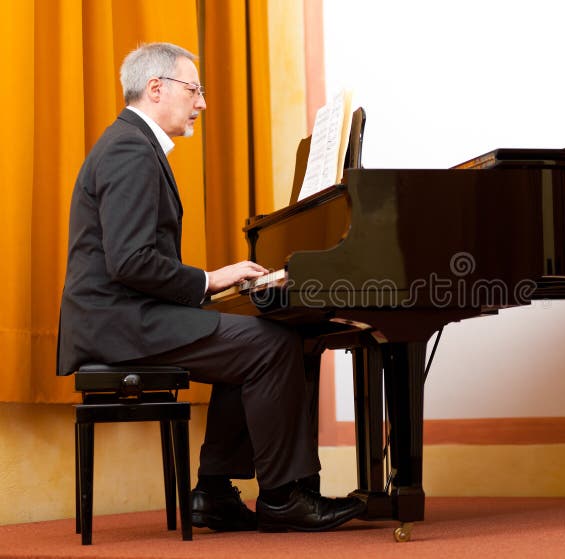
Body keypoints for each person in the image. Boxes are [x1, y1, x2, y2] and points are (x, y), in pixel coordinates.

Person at [57, 42, 364, 533]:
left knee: (248, 342)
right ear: (156, 89)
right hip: (118, 324)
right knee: (271, 344)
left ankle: (214, 493)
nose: (201, 103)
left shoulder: (129, 144)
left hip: (123, 316)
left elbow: (133, 260)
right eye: (194, 90)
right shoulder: (130, 150)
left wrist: (211, 287)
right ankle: (284, 497)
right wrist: (209, 279)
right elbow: (130, 261)